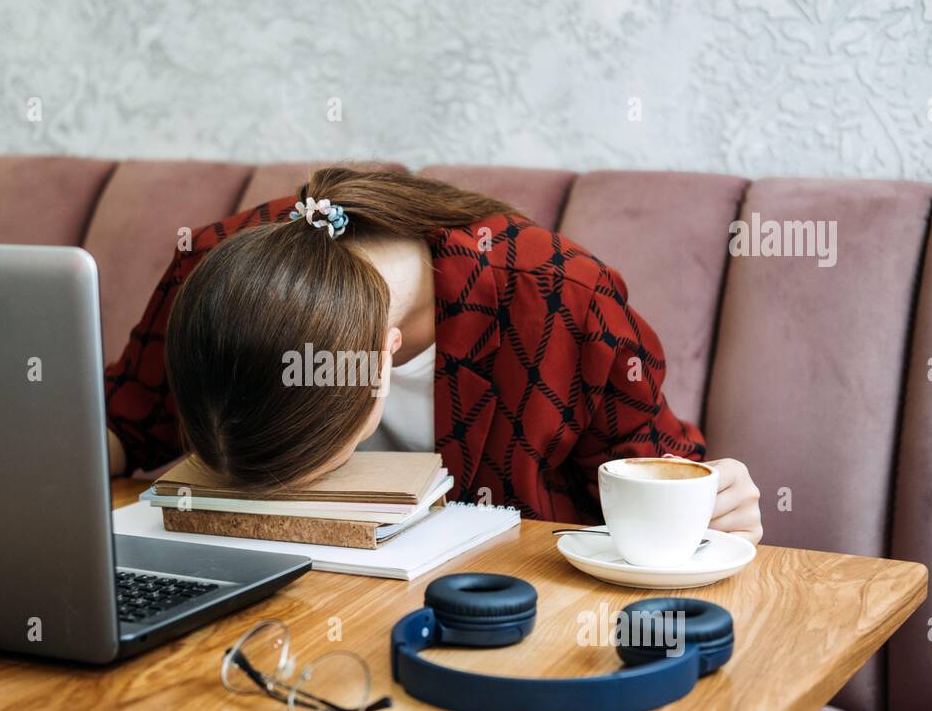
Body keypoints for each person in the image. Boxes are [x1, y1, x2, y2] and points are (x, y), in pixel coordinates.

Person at [104, 168, 762, 544]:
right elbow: (127, 424)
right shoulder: (216, 274)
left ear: (379, 359)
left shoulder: (562, 299)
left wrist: (717, 508)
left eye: (307, 462)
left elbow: (652, 480)